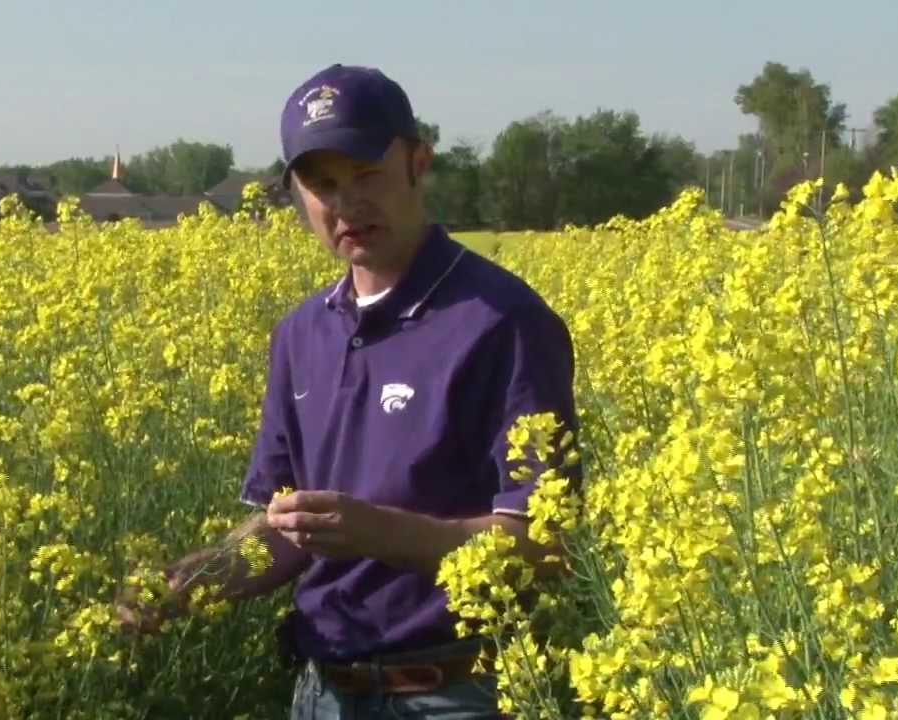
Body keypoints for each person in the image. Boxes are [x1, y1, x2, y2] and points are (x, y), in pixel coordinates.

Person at [118, 63, 581, 719]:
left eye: (366, 175)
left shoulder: (503, 323)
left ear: (419, 162)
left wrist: (379, 533)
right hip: (322, 694)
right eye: (321, 184)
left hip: (456, 693)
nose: (345, 204)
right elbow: (288, 531)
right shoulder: (300, 334)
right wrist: (188, 584)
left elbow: (547, 545)